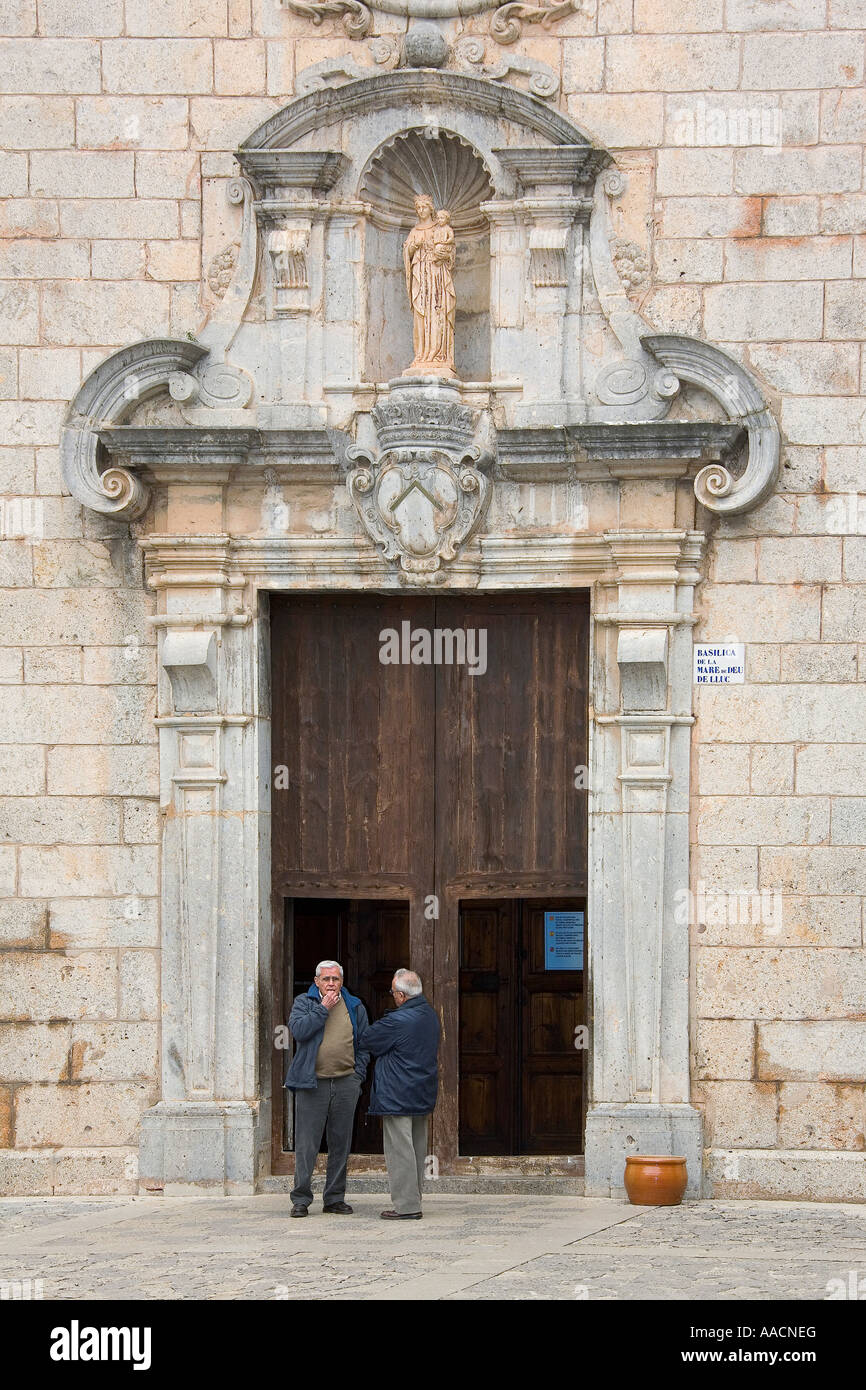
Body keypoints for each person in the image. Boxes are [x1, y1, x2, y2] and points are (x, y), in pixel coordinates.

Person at [284, 959, 369, 1218]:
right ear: (317, 982)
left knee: (340, 1143)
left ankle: (334, 1198)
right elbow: (299, 1031)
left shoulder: (354, 1005)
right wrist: (323, 1008)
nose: (331, 984)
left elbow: (364, 1044)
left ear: (342, 981)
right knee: (307, 1144)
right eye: (326, 979)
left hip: (345, 1082)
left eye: (335, 979)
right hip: (312, 1083)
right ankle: (301, 1198)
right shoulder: (304, 1003)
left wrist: (358, 1075)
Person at [362, 968, 440, 1220]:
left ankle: (406, 1206)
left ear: (402, 996)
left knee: (400, 1150)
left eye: (394, 993)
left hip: (397, 1093)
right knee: (416, 1148)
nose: (392, 997)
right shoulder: (429, 1014)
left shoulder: (398, 1020)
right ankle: (413, 1200)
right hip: (421, 1090)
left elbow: (368, 1039)